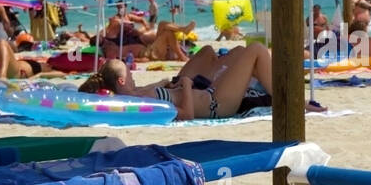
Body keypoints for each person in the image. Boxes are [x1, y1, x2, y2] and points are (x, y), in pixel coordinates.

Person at [81, 43, 276, 121]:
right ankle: (291, 101)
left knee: (243, 54)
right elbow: (187, 115)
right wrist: (187, 85)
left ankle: (284, 97)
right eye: (126, 69)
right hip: (216, 105)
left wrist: (177, 87)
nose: (131, 72)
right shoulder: (144, 100)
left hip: (211, 96)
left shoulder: (140, 96)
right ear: (122, 80)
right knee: (256, 50)